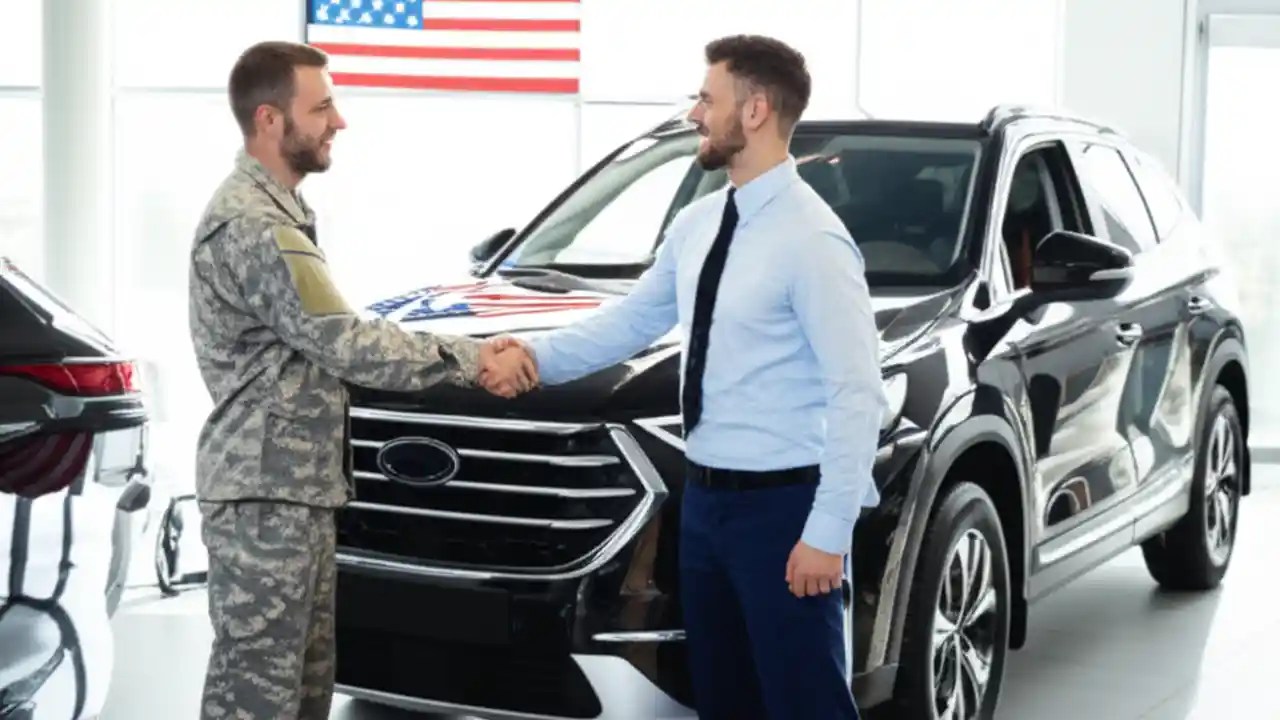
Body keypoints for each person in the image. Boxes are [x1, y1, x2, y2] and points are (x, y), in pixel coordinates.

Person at [488, 34, 887, 719]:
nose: (695, 113)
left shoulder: (812, 241)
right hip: (703, 505)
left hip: (784, 512)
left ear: (755, 110)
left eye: (707, 98)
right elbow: (630, 323)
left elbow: (858, 392)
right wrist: (529, 354)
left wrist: (828, 531)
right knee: (724, 698)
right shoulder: (699, 224)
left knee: (806, 701)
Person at [187, 41, 535, 720]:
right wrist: (472, 358)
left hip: (292, 492)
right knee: (259, 691)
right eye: (322, 107)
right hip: (266, 500)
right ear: (268, 121)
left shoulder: (277, 215)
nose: (338, 121)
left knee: (305, 686)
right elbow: (345, 342)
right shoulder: (257, 227)